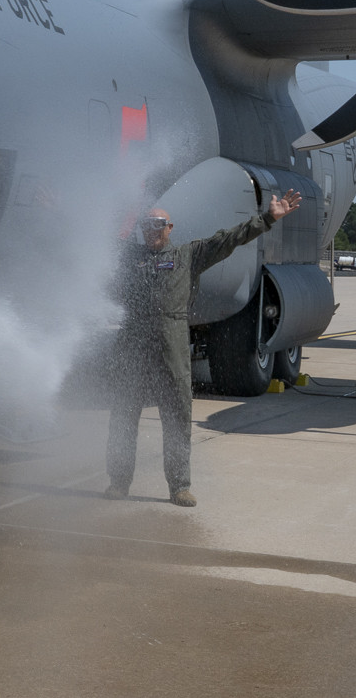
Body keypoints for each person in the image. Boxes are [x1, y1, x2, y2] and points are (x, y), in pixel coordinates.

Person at [105, 187, 302, 507]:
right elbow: (91, 241)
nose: (152, 230)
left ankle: (179, 486)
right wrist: (55, 212)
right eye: (147, 225)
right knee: (124, 415)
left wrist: (267, 219)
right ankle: (118, 481)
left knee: (177, 415)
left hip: (172, 343)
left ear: (170, 229)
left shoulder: (187, 256)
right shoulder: (131, 257)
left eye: (159, 224)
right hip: (134, 341)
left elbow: (227, 240)